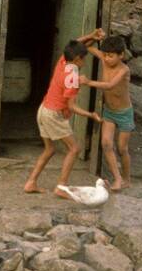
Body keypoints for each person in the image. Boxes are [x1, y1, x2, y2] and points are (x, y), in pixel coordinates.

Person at [24, 33, 103, 197]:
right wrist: (91, 114)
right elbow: (71, 107)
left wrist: (92, 36)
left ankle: (31, 183)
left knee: (49, 150)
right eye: (84, 58)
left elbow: (73, 44)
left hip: (43, 110)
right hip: (53, 114)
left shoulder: (63, 62)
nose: (85, 61)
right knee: (74, 149)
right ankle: (61, 186)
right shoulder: (72, 78)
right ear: (78, 60)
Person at [80, 32, 134, 190]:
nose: (107, 58)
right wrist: (94, 36)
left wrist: (88, 82)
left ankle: (127, 178)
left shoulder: (124, 70)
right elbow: (85, 46)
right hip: (109, 111)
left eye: (111, 56)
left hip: (124, 113)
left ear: (121, 55)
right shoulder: (103, 58)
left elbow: (110, 85)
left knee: (122, 148)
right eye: (105, 55)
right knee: (106, 143)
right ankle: (117, 179)